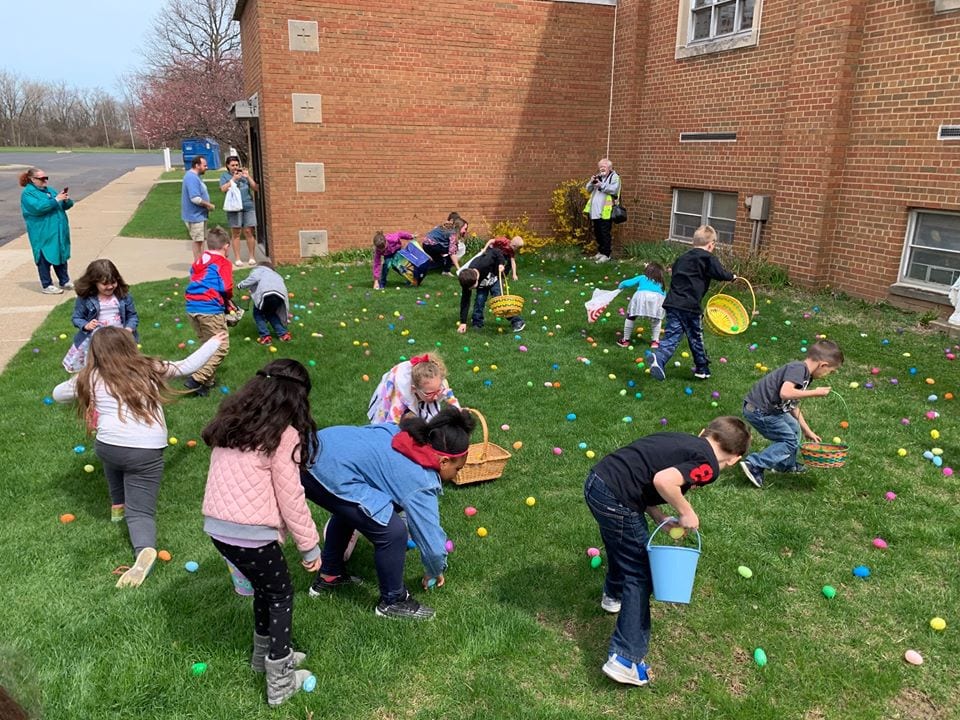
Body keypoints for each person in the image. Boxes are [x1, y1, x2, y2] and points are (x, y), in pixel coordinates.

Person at [52, 327, 227, 589]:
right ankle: (144, 548)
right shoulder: (149, 368)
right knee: (141, 512)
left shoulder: (91, 376)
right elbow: (187, 366)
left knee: (114, 460)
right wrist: (213, 343)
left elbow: (57, 394)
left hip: (108, 446)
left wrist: (82, 377)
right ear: (129, 346)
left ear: (96, 353)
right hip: (146, 449)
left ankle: (118, 508)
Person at [584, 416, 750, 686]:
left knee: (621, 545)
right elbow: (663, 480)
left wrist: (659, 515)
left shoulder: (684, 442)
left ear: (704, 431)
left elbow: (641, 476)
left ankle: (613, 595)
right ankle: (624, 659)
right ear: (734, 459)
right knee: (640, 573)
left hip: (598, 483)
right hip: (617, 497)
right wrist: (687, 511)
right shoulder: (708, 465)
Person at [201, 359, 320, 706]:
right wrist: (310, 546)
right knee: (281, 595)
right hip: (252, 533)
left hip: (218, 529)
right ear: (295, 398)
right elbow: (291, 497)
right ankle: (280, 681)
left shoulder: (232, 423)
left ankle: (261, 656)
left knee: (265, 591)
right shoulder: (284, 435)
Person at [300, 406, 474, 620]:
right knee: (393, 532)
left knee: (356, 509)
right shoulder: (421, 480)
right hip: (324, 468)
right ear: (444, 461)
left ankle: (330, 575)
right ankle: (393, 602)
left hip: (312, 450)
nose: (456, 475)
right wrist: (435, 569)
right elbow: (433, 545)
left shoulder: (405, 433)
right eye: (457, 469)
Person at [739, 340, 844, 488]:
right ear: (823, 365)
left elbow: (791, 405)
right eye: (830, 371)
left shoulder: (805, 375)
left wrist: (807, 430)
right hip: (760, 411)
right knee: (789, 441)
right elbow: (785, 393)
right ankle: (755, 464)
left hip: (771, 410)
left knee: (794, 428)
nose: (827, 375)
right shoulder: (798, 369)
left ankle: (785, 465)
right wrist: (815, 392)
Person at [647, 225, 735, 381]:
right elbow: (720, 273)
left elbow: (674, 272)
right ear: (711, 244)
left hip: (673, 303)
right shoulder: (708, 258)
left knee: (672, 336)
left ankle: (659, 358)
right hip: (690, 306)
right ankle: (702, 369)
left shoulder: (683, 258)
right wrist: (731, 277)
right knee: (695, 338)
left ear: (694, 242)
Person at [62, 259, 139, 373]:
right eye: (105, 284)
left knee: (121, 367)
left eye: (113, 282)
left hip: (118, 338)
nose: (110, 286)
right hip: (96, 341)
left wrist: (128, 329)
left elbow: (132, 316)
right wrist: (86, 325)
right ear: (94, 282)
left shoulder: (123, 296)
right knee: (96, 369)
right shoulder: (86, 298)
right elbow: (77, 318)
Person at [184, 227, 233, 396]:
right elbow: (226, 287)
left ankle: (206, 383)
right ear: (226, 246)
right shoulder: (223, 263)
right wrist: (228, 300)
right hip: (209, 308)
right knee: (221, 346)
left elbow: (193, 277)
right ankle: (196, 379)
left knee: (207, 345)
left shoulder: (200, 260)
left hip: (192, 307)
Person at [19, 167, 73, 294]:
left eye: (46, 178)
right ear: (32, 179)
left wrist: (66, 200)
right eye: (41, 178)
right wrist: (56, 200)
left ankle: (64, 280)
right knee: (44, 257)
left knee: (60, 254)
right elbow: (38, 208)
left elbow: (65, 205)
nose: (45, 181)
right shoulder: (28, 193)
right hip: (42, 232)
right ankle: (47, 284)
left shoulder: (50, 190)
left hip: (57, 231)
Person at [367, 353, 460, 424]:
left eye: (438, 391)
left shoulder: (438, 383)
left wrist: (458, 410)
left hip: (420, 393)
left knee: (426, 413)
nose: (436, 397)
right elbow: (392, 423)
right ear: (414, 389)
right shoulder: (400, 398)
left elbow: (448, 394)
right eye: (430, 393)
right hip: (396, 389)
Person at [456, 246, 525, 334]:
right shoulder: (467, 280)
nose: (470, 289)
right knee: (479, 301)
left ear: (476, 279)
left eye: (472, 287)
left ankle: (517, 321)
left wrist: (501, 263)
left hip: (494, 280)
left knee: (500, 302)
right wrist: (463, 322)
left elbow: (496, 251)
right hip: (483, 285)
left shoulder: (484, 263)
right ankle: (477, 323)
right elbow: (465, 302)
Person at [237, 259, 291, 345]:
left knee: (258, 314)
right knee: (271, 314)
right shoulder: (276, 275)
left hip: (266, 295)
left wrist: (240, 285)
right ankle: (283, 334)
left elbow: (253, 279)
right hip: (280, 296)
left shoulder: (259, 270)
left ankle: (265, 336)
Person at [219, 155, 260, 267]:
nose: (235, 167)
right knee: (236, 232)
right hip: (234, 207)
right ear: (228, 166)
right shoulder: (225, 176)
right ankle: (237, 258)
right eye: (232, 165)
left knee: (249, 231)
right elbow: (223, 189)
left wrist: (248, 176)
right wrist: (233, 179)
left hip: (248, 206)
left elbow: (256, 188)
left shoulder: (243, 175)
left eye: (237, 165)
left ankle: (252, 257)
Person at [616, 262, 666, 349]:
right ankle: (655, 342)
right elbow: (663, 294)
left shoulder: (642, 277)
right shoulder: (660, 283)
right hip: (657, 299)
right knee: (656, 320)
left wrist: (621, 285)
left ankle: (625, 340)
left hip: (641, 297)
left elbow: (628, 283)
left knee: (631, 316)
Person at [585, 158, 620, 263]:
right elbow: (588, 189)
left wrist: (600, 185)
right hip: (595, 211)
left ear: (610, 167)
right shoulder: (598, 177)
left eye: (604, 166)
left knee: (605, 233)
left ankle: (606, 254)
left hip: (606, 211)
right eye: (600, 167)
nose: (602, 169)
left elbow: (614, 189)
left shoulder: (614, 177)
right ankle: (601, 252)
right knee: (598, 233)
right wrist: (591, 182)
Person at [182, 156, 216, 261]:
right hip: (194, 216)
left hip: (200, 215)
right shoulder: (191, 178)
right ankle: (198, 264)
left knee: (201, 241)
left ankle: (201, 263)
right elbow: (195, 198)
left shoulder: (196, 177)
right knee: (198, 241)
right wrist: (208, 205)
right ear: (197, 165)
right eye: (204, 165)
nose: (207, 167)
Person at [416, 212, 468, 281]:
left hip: (426, 244)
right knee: (453, 250)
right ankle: (446, 271)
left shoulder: (447, 227)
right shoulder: (453, 233)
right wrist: (459, 268)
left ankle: (418, 267)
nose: (465, 231)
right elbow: (452, 252)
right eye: (465, 229)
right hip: (432, 245)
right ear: (459, 227)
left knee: (439, 262)